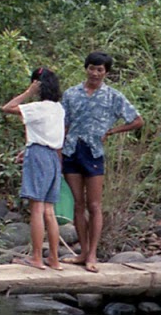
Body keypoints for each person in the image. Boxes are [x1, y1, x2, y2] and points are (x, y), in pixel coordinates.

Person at [61, 52, 143, 273]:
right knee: (78, 204)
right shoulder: (71, 94)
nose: (95, 73)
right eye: (92, 68)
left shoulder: (112, 96)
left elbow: (137, 120)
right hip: (71, 150)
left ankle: (93, 255)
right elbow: (64, 123)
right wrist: (58, 150)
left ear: (106, 72)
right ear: (86, 68)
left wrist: (112, 131)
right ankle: (83, 253)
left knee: (94, 205)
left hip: (94, 152)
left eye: (100, 70)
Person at [2, 67, 65, 270]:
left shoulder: (38, 107)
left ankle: (37, 257)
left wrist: (28, 93)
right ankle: (54, 258)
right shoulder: (58, 109)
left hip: (39, 155)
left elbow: (8, 107)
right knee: (49, 210)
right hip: (54, 157)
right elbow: (50, 135)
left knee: (37, 208)